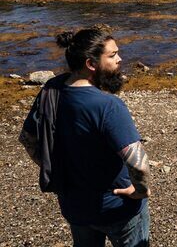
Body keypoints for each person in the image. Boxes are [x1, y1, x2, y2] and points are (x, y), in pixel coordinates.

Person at [19, 27, 151, 247]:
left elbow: (27, 139)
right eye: (112, 55)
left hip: (75, 206)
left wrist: (52, 168)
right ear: (91, 64)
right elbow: (138, 164)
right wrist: (140, 190)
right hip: (116, 207)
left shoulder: (52, 89)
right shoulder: (108, 106)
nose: (120, 59)